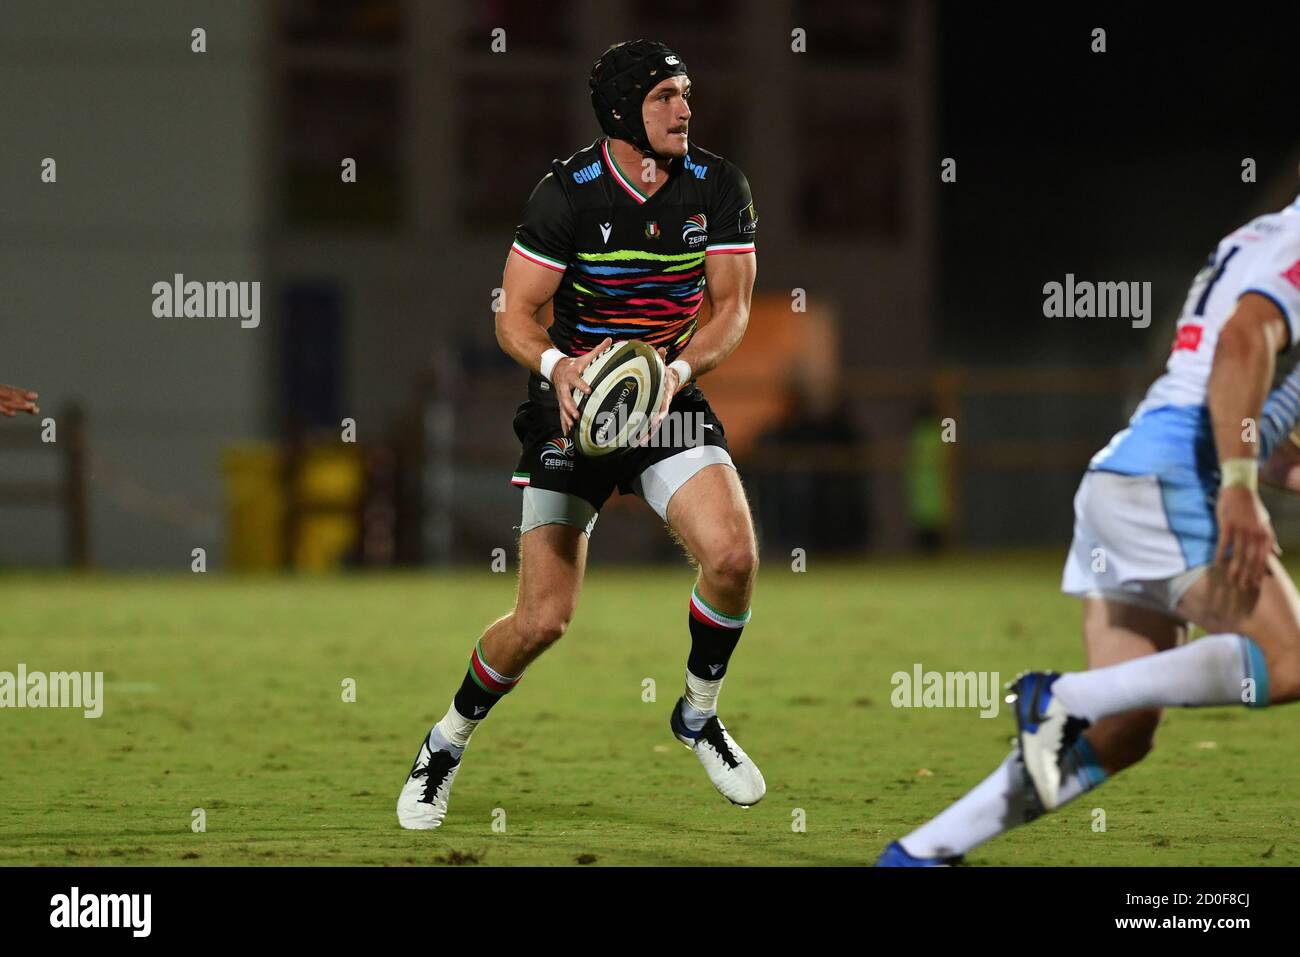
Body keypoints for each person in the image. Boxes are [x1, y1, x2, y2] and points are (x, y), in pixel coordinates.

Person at [398, 40, 764, 829]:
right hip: (576, 408)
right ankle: (446, 741)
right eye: (667, 95)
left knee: (733, 558)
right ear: (625, 109)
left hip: (666, 393)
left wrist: (676, 372)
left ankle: (698, 716)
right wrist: (560, 366)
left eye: (687, 92)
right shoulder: (567, 194)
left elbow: (731, 307)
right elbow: (513, 315)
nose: (685, 109)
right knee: (543, 621)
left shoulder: (718, 185)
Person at [879, 192, 1300, 864]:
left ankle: (922, 851)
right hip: (1172, 477)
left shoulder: (1261, 237)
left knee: (1122, 730)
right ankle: (1064, 693)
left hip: (1122, 480)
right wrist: (1241, 489)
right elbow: (1240, 343)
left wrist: (1259, 467)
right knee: (1291, 657)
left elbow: (1229, 395)